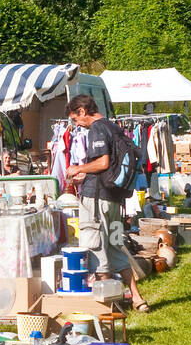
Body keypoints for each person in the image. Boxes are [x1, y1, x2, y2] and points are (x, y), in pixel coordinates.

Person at [63, 95, 149, 311]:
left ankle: (106, 308)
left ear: (83, 111)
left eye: (75, 119)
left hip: (96, 201)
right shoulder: (113, 127)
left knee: (96, 250)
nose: (76, 124)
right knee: (115, 246)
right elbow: (107, 167)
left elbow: (103, 162)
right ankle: (138, 299)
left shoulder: (96, 129)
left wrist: (78, 169)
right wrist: (87, 174)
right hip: (115, 199)